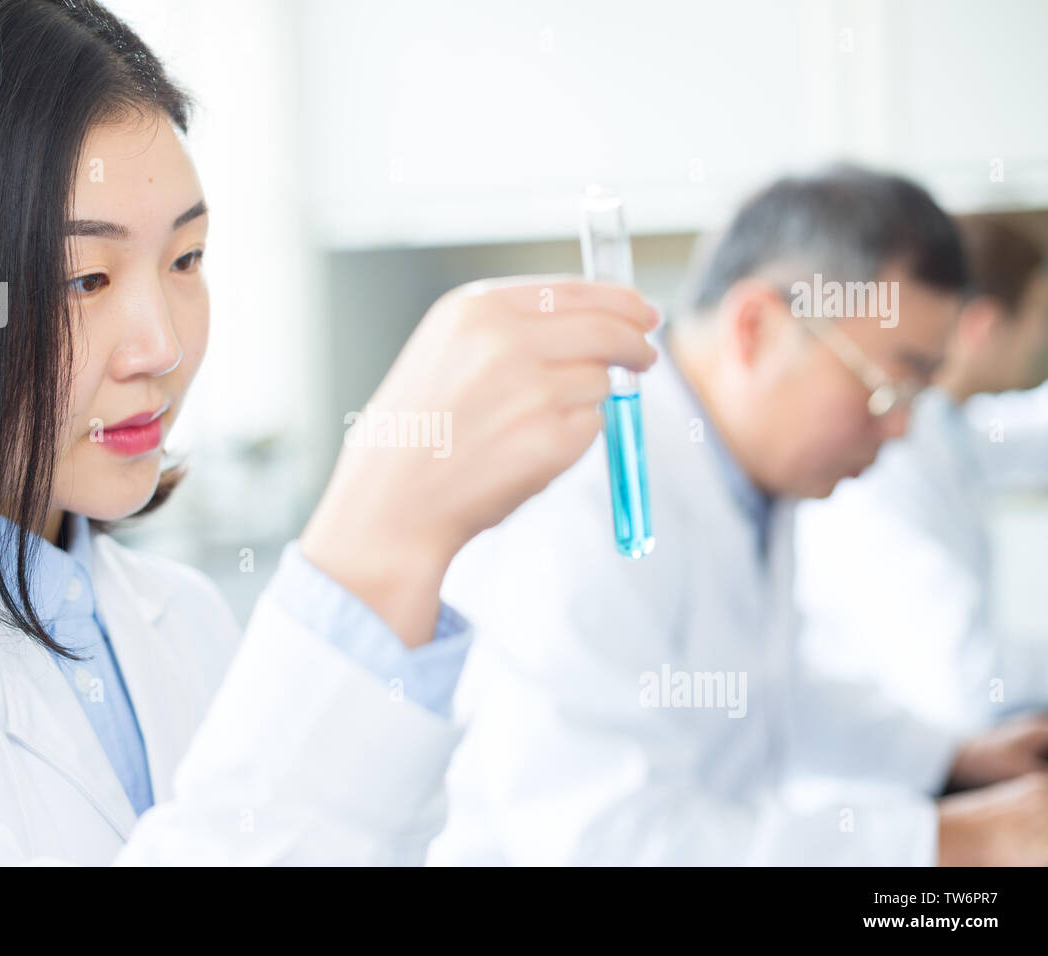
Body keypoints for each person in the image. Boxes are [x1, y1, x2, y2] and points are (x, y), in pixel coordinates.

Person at [0, 0, 659, 865]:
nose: (164, 345)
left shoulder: (179, 619)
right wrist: (374, 548)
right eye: (85, 280)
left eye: (186, 259)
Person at [429, 167, 1048, 866]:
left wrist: (953, 758)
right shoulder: (592, 494)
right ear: (757, 327)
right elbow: (608, 840)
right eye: (888, 385)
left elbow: (772, 689)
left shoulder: (746, 478)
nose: (901, 429)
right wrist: (949, 844)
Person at [793, 218, 1048, 734]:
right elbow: (964, 684)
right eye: (1040, 318)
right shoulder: (888, 453)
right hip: (892, 774)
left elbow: (1026, 431)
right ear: (982, 325)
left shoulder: (942, 425)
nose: (1041, 339)